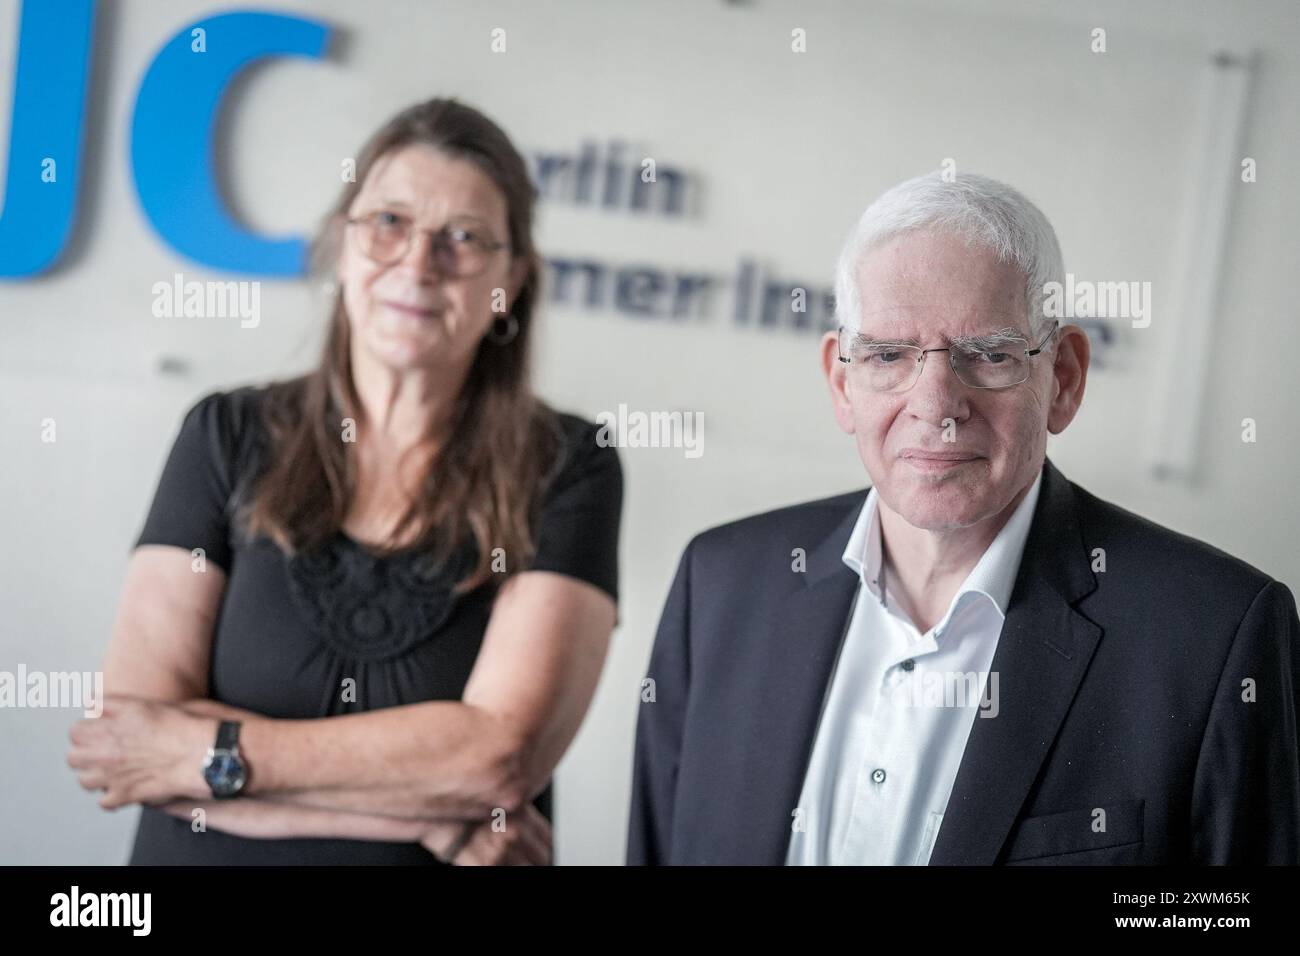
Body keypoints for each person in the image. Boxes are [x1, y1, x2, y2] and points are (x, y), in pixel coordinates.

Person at [627, 171, 1300, 865]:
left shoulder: (1214, 634)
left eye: (988, 355)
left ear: (1063, 378)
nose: (937, 405)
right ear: (842, 382)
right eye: (889, 355)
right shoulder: (718, 586)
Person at [66, 97, 623, 865]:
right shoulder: (225, 435)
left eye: (463, 237)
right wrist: (426, 815)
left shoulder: (569, 463)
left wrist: (203, 753)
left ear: (513, 278)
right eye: (389, 222)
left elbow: (495, 759)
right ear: (342, 240)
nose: (419, 264)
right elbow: (126, 742)